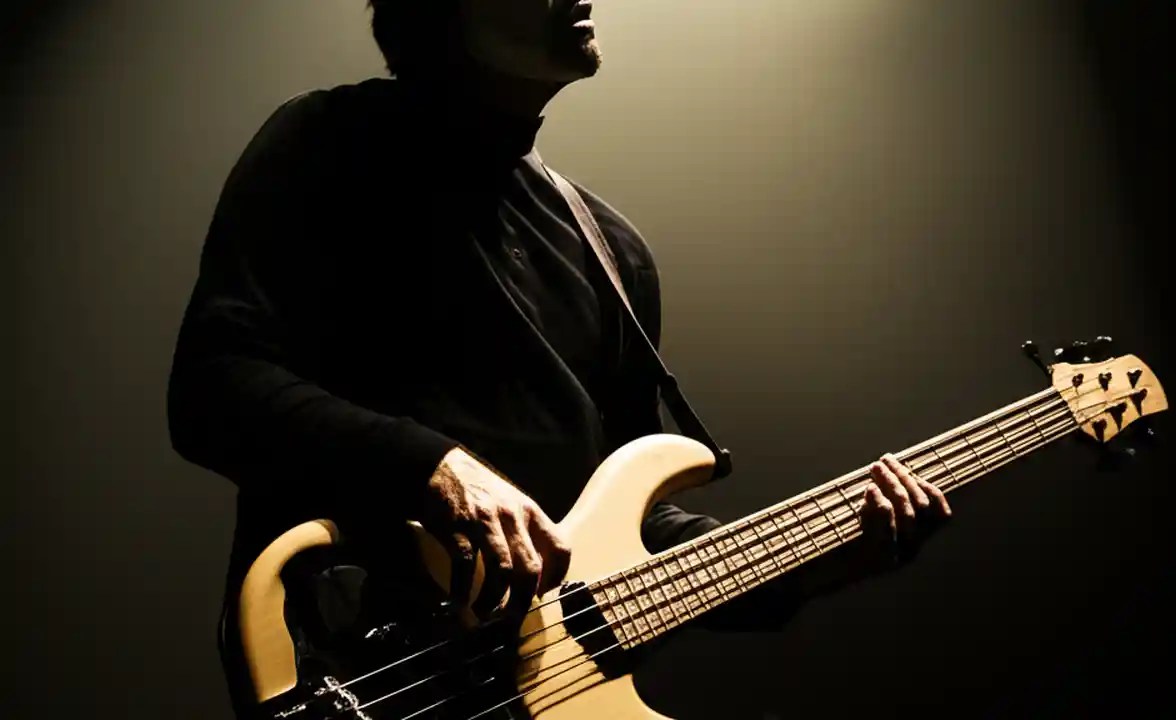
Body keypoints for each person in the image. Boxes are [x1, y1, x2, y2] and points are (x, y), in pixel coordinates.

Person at [166, 0, 952, 715]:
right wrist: (434, 468)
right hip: (362, 671)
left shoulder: (610, 248)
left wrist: (822, 558)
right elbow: (213, 389)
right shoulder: (328, 144)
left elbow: (628, 538)